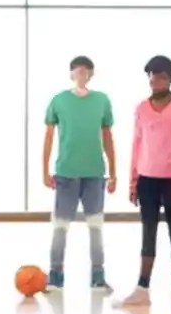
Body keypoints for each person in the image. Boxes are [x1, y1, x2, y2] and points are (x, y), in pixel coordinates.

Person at [116, 55, 171, 310]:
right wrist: (132, 182)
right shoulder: (141, 108)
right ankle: (142, 287)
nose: (155, 80)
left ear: (170, 79)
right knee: (147, 232)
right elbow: (136, 145)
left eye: (161, 76)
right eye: (152, 76)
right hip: (147, 179)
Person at [42, 55, 116, 292]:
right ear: (71, 73)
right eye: (77, 70)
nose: (82, 74)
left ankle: (97, 276)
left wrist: (113, 172)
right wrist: (44, 170)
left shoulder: (102, 101)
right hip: (66, 172)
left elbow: (107, 137)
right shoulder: (58, 101)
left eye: (86, 70)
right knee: (60, 226)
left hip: (94, 173)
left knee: (95, 226)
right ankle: (55, 275)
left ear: (91, 74)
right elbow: (49, 136)